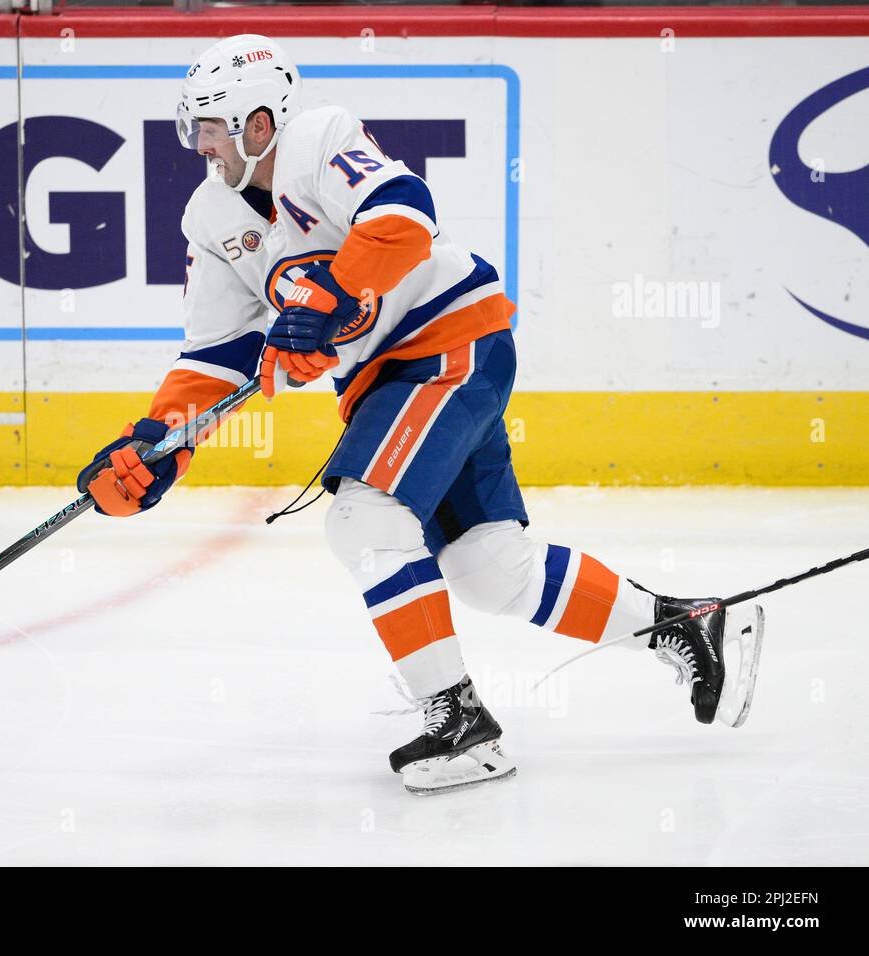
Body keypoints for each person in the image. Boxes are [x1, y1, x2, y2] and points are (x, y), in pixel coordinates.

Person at [76, 34, 762, 794]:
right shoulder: (209, 215)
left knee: (363, 520)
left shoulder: (320, 137)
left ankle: (460, 721)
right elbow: (218, 352)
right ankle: (686, 624)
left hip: (449, 343)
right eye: (195, 127)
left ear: (260, 123)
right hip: (389, 382)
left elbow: (406, 213)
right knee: (489, 570)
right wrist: (159, 440)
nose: (199, 143)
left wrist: (333, 300)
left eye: (212, 126)